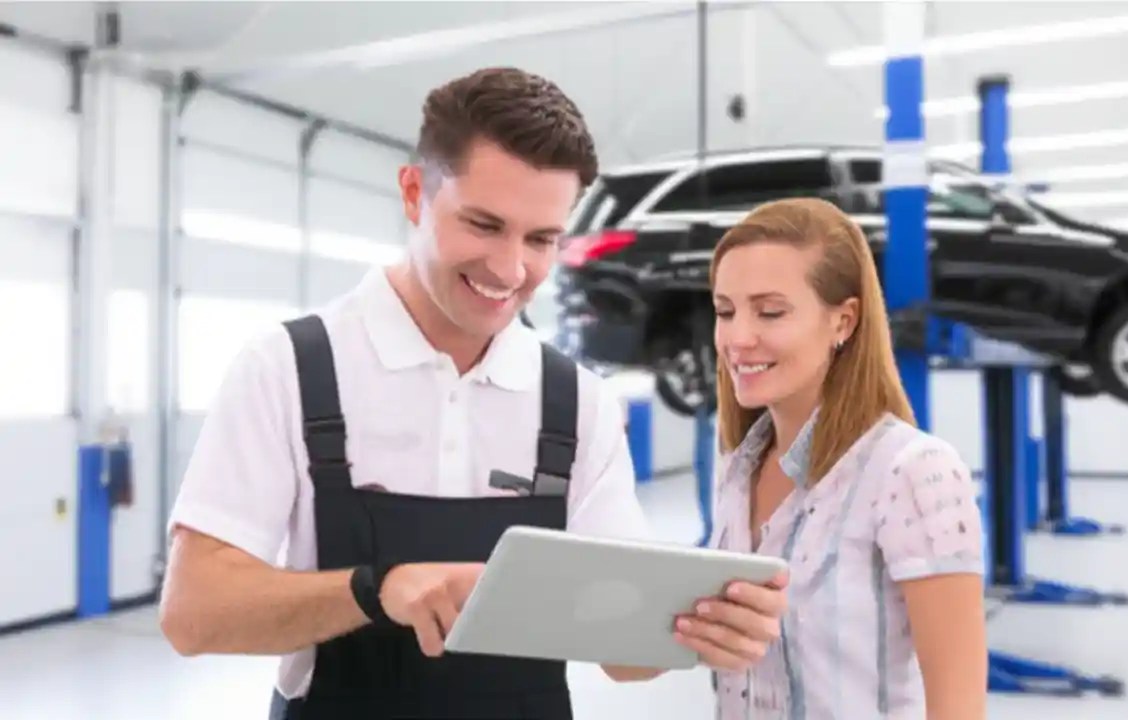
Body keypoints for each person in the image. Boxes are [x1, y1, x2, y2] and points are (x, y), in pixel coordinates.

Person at [158, 67, 788, 719]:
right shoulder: (287, 369)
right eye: (484, 225)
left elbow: (625, 657)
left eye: (541, 239)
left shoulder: (578, 402)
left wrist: (706, 625)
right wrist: (376, 591)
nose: (511, 269)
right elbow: (193, 613)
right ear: (414, 194)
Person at [706, 198, 988, 719]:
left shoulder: (913, 471)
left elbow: (960, 708)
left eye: (770, 312)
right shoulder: (736, 466)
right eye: (725, 311)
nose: (738, 338)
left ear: (844, 320)